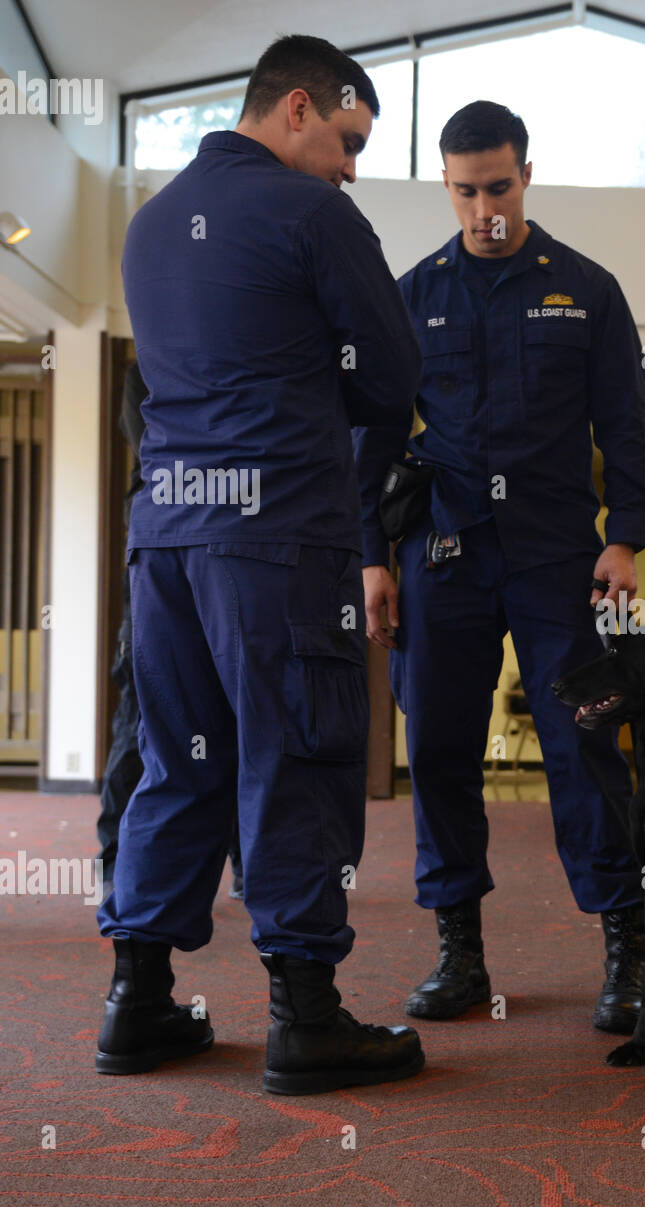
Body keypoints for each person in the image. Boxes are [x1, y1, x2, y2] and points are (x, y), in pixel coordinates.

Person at [97, 34, 425, 1094]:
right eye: (346, 139)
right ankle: (306, 1017)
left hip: (166, 543)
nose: (350, 167)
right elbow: (390, 379)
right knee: (298, 754)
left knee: (174, 760)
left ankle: (138, 1002)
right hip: (276, 536)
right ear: (295, 108)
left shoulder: (149, 226)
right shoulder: (313, 216)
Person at [354, 101, 645, 1033]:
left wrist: (628, 535)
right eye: (464, 192)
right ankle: (459, 953)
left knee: (581, 743)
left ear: (525, 175)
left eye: (498, 187)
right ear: (445, 187)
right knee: (443, 749)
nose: (483, 207)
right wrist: (371, 556)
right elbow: (371, 438)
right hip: (444, 550)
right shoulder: (414, 294)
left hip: (554, 555)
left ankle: (625, 944)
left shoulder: (586, 289)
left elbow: (629, 424)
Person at [96, 361, 244, 899]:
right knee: (139, 718)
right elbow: (166, 456)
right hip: (161, 559)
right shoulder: (143, 372)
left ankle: (242, 857)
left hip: (232, 550)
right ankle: (114, 864)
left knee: (236, 710)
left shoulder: (236, 366)